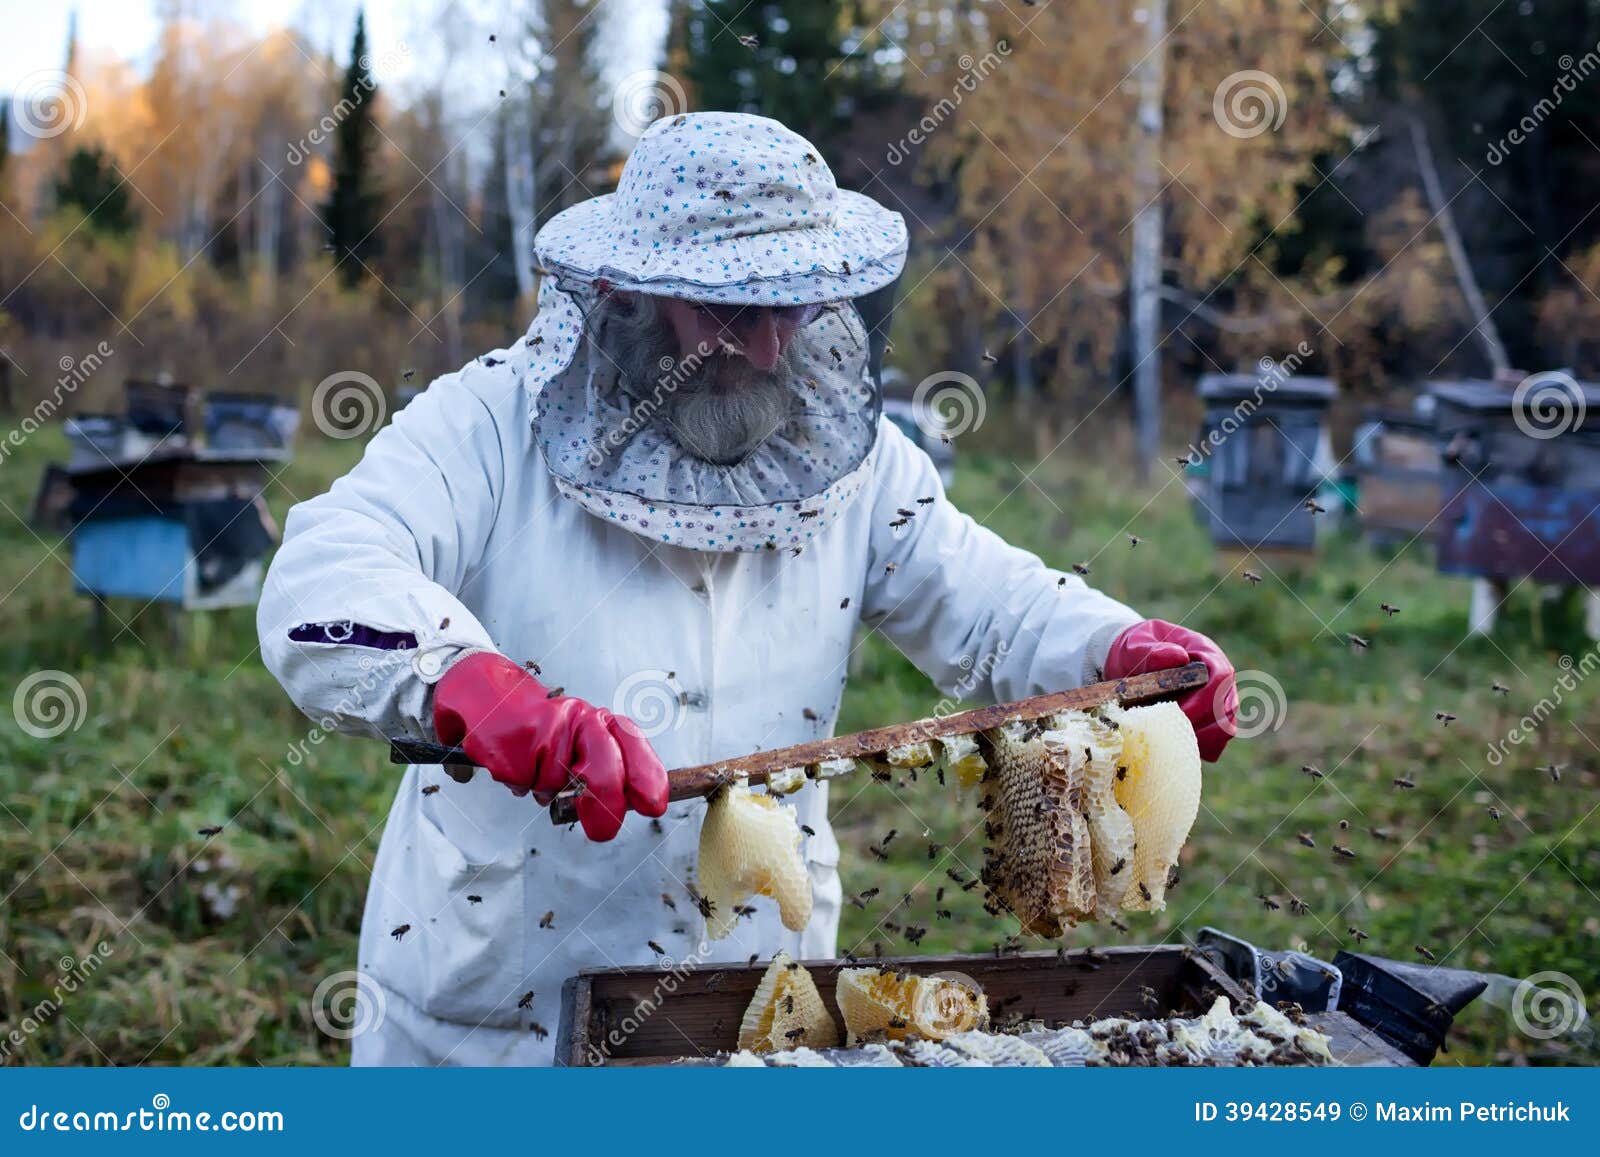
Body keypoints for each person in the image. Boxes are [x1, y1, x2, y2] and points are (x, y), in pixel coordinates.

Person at [257, 111, 1237, 1066]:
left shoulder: (856, 458)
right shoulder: (488, 424)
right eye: (732, 309)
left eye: (793, 303)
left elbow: (986, 602)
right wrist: (467, 682)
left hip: (758, 1013)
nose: (769, 345)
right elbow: (325, 569)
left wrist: (1112, 649)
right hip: (496, 1020)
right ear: (628, 296)